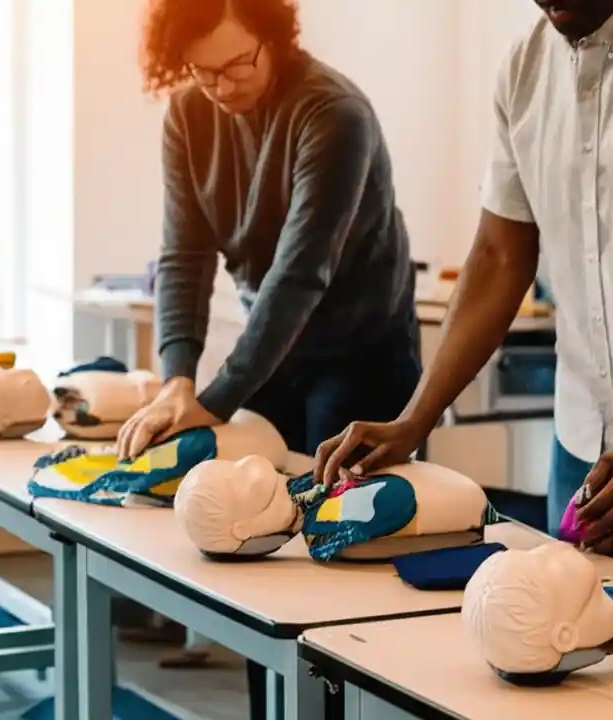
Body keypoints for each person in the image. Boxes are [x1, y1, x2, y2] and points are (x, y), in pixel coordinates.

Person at [316, 0, 613, 563]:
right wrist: (413, 420)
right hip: (581, 447)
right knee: (563, 614)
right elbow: (499, 256)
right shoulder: (523, 68)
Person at [123, 0, 421, 715]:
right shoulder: (189, 114)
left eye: (237, 65)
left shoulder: (334, 113)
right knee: (258, 545)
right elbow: (184, 255)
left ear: (274, 38)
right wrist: (178, 380)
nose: (221, 86)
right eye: (202, 71)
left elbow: (299, 275)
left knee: (344, 569)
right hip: (275, 353)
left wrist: (215, 400)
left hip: (362, 356)